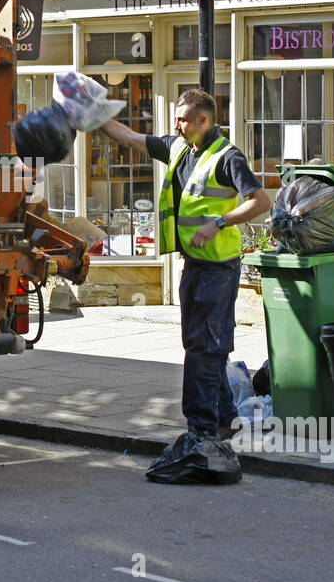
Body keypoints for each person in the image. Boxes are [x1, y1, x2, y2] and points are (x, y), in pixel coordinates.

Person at [98, 88, 272, 461]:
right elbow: (129, 137)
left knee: (203, 350)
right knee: (205, 345)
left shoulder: (227, 158)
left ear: (203, 121)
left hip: (218, 269)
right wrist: (92, 116)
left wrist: (220, 221)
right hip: (194, 265)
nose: (175, 125)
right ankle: (224, 417)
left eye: (182, 119)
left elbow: (261, 201)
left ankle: (201, 429)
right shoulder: (180, 148)